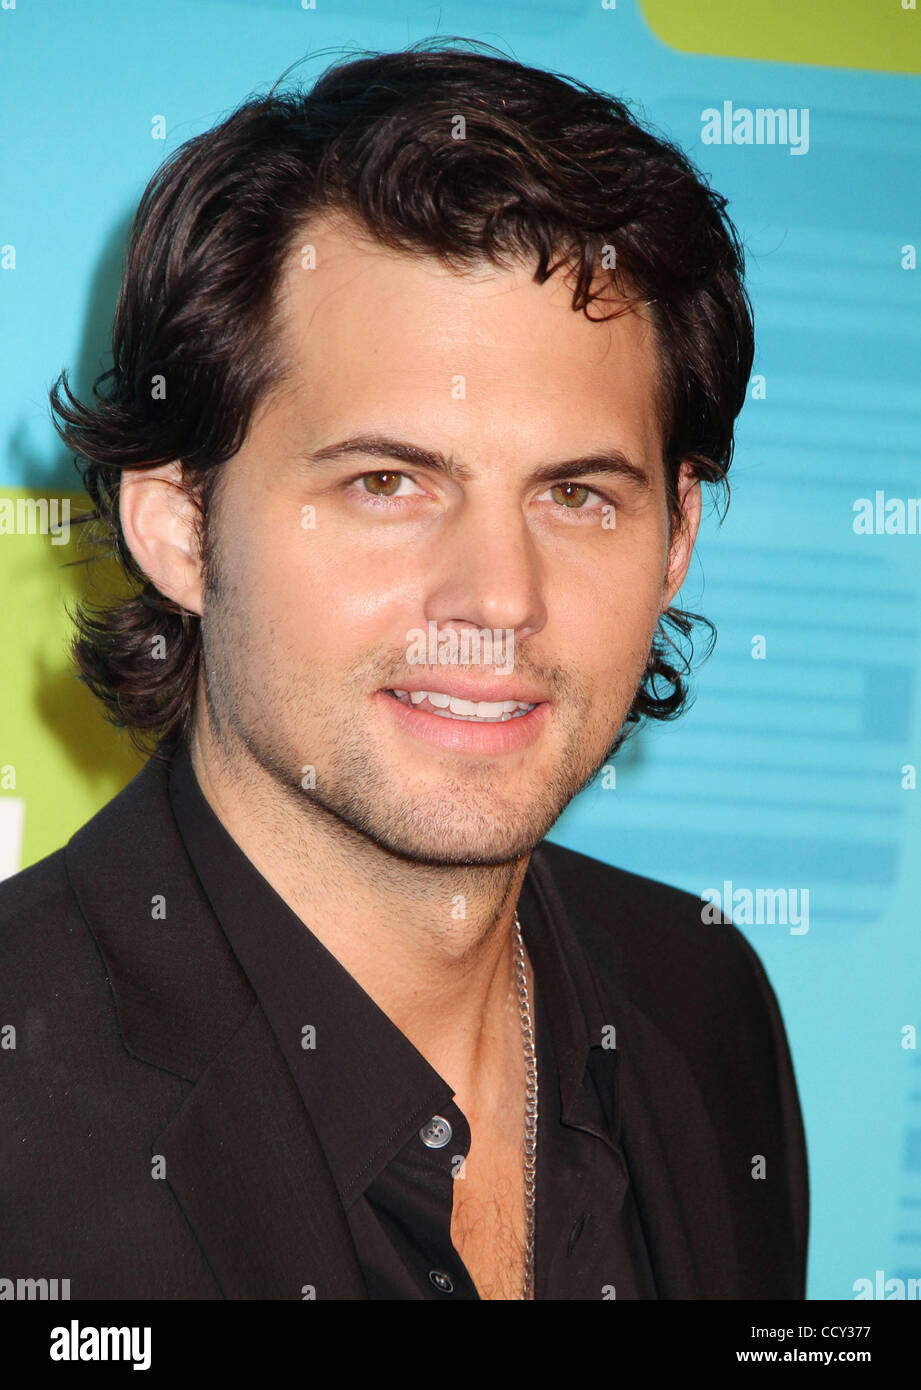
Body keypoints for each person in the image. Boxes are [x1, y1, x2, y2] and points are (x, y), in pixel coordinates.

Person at [0, 40, 808, 1300]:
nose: (499, 597)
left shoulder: (705, 1003)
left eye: (579, 495)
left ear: (676, 542)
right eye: (388, 483)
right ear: (179, 527)